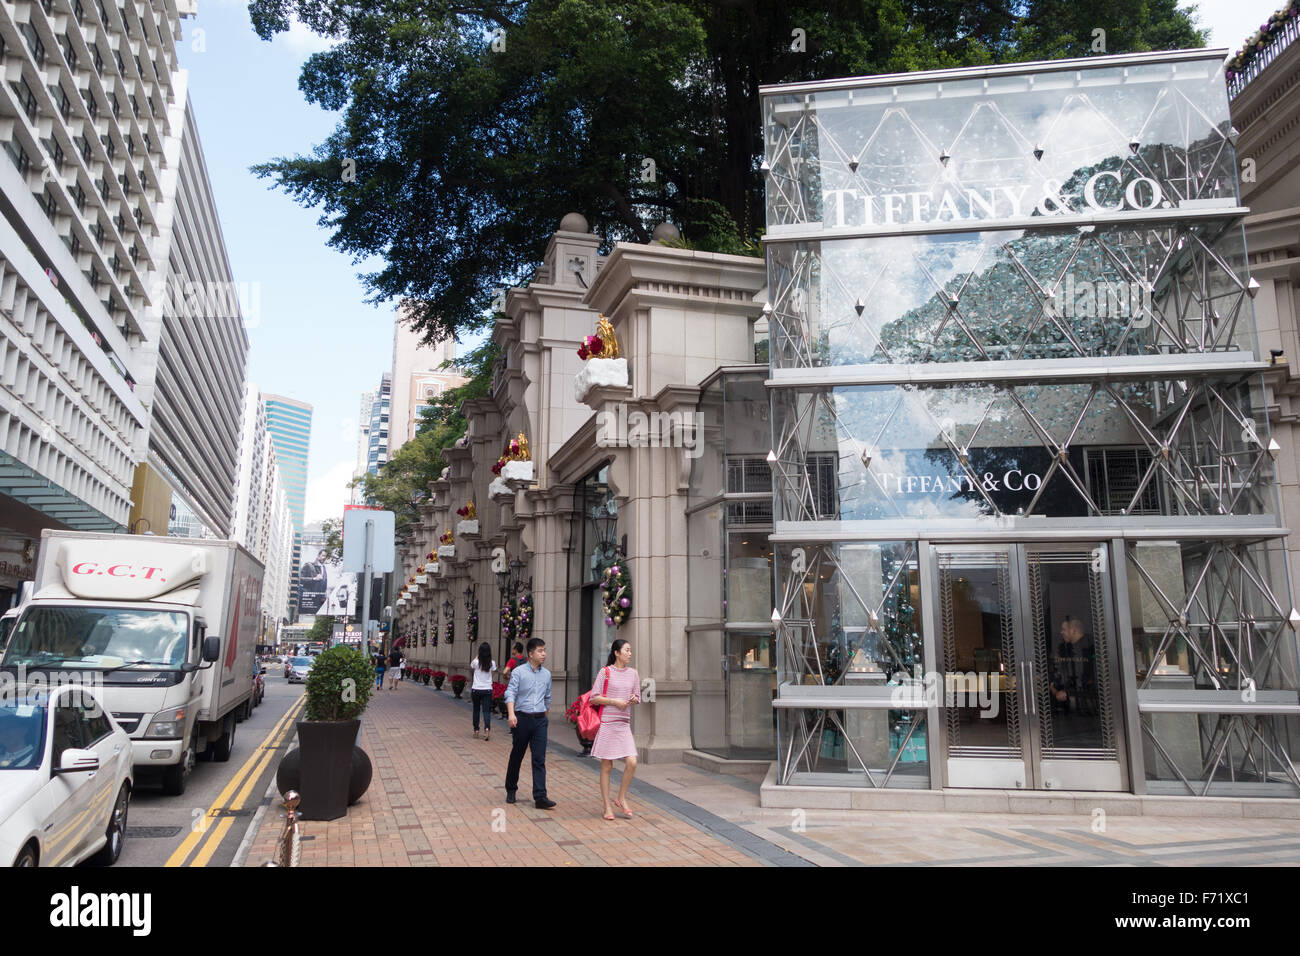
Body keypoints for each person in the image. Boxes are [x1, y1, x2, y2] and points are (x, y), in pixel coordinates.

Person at [588, 639, 641, 820]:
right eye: (627, 650)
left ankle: (621, 797)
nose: (630, 653)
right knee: (606, 766)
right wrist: (613, 701)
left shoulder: (633, 673)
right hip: (608, 723)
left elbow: (638, 696)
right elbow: (594, 698)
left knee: (632, 762)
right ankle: (607, 807)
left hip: (624, 724)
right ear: (617, 653)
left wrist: (634, 698)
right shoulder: (606, 672)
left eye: (630, 650)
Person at [504, 637, 555, 809]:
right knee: (517, 755)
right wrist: (511, 714)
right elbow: (510, 693)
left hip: (540, 720)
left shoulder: (547, 674)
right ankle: (511, 789)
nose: (544, 654)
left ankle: (540, 796)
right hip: (522, 718)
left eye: (544, 650)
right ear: (530, 653)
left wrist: (545, 718)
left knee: (539, 759)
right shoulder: (518, 672)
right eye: (540, 651)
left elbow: (548, 698)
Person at [470, 642, 496, 741]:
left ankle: (476, 730)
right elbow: (492, 673)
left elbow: (471, 665)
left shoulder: (476, 662)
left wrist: (477, 656)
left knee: (476, 710)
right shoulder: (492, 663)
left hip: (476, 689)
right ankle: (487, 729)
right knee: (486, 711)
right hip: (487, 689)